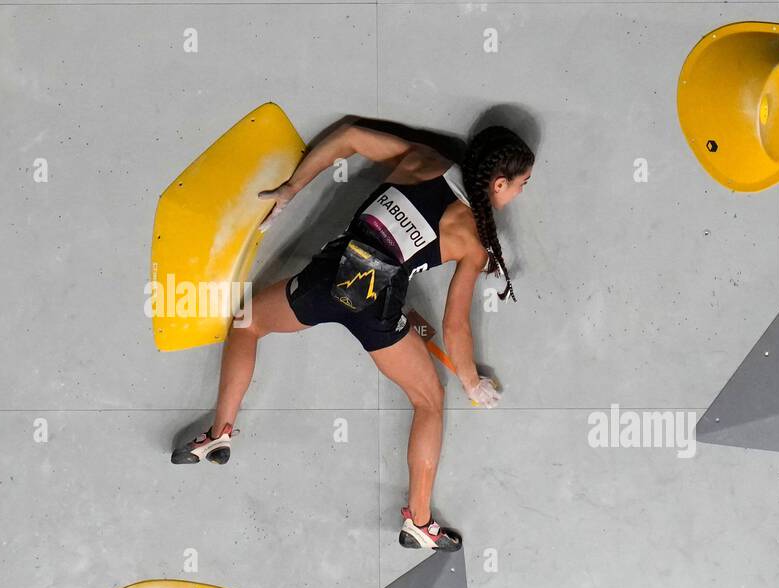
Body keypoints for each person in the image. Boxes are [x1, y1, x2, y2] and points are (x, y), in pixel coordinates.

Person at [172, 122, 534, 552]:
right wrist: (472, 382)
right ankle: (418, 522)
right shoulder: (473, 239)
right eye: (522, 183)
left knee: (248, 323)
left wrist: (291, 189)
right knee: (428, 400)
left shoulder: (423, 159)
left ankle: (218, 432)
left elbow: (348, 136)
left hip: (330, 276)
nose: (522, 192)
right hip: (375, 309)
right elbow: (456, 325)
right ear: (498, 183)